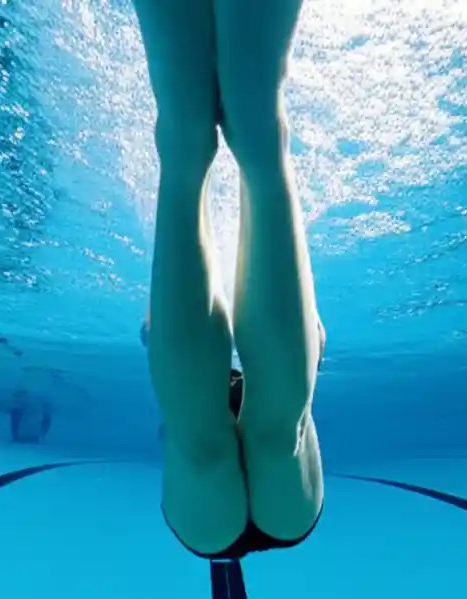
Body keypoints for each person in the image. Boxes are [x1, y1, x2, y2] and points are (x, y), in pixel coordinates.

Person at [134, 0, 324, 560]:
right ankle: (189, 140)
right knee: (204, 442)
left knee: (274, 430)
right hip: (206, 521)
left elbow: (311, 337)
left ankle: (257, 130)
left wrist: (313, 339)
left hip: (288, 510)